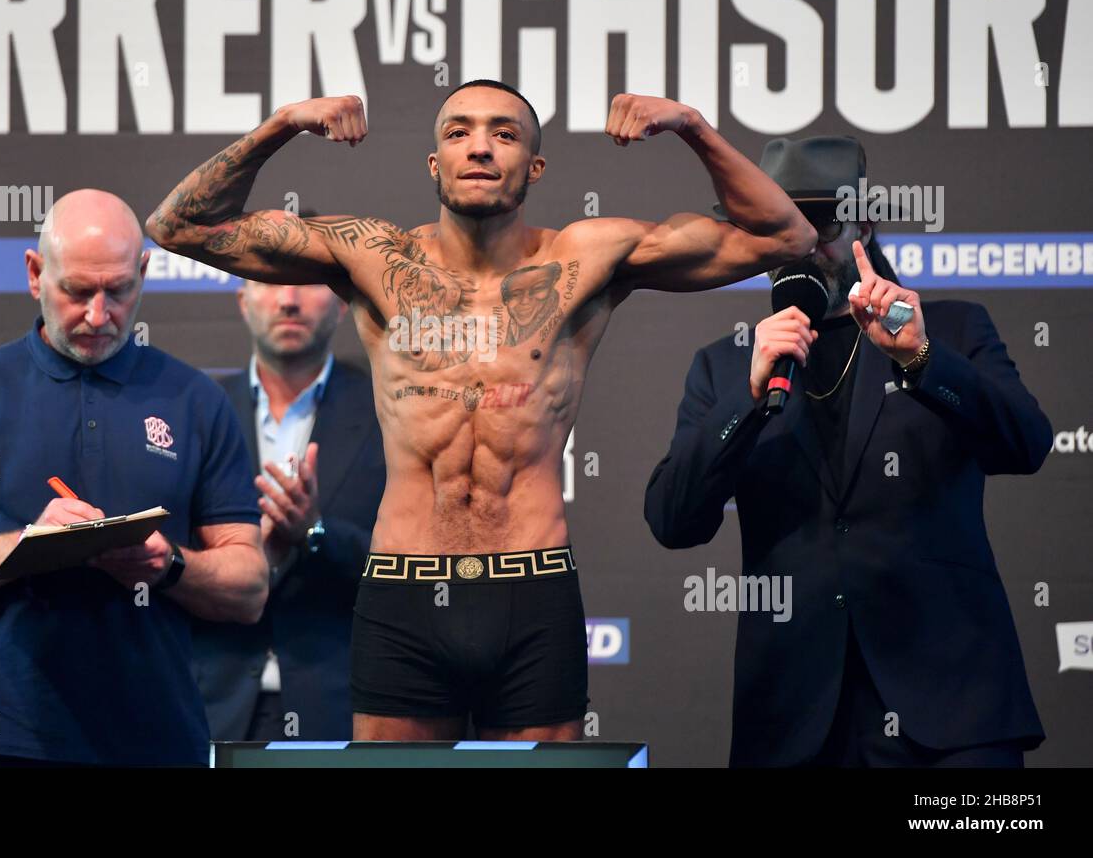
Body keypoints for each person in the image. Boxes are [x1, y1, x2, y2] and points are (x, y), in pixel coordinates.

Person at [146, 80, 816, 741]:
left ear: (535, 166)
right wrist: (283, 124)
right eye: (459, 131)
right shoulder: (374, 257)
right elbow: (176, 226)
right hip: (404, 586)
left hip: (533, 585)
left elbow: (787, 236)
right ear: (435, 163)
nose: (481, 148)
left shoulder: (587, 257)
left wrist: (693, 126)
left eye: (504, 133)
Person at [644, 136, 1050, 767]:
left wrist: (918, 356)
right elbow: (673, 520)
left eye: (819, 221)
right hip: (792, 718)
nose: (800, 243)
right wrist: (748, 401)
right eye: (776, 225)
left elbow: (1026, 445)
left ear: (864, 222)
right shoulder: (727, 367)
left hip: (949, 710)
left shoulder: (950, 329)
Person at [0, 189, 268, 767]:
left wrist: (171, 566)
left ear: (144, 272)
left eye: (118, 291)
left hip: (157, 744)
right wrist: (27, 547)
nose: (97, 315)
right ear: (35, 274)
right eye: (77, 291)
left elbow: (249, 586)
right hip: (5, 746)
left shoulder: (197, 401)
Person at [192, 273, 385, 740]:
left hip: (343, 709)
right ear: (243, 300)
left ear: (342, 304)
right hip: (215, 708)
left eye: (307, 284)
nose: (289, 300)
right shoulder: (198, 410)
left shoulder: (389, 415)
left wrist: (315, 532)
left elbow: (415, 571)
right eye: (269, 284)